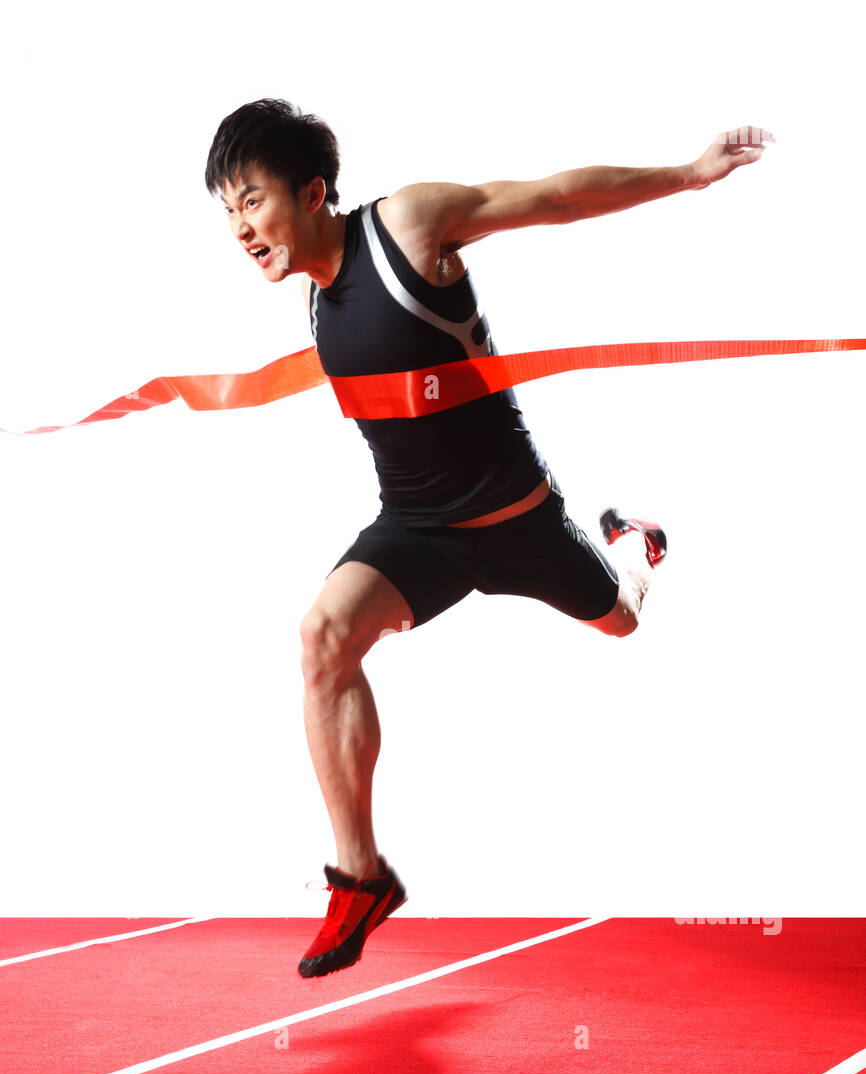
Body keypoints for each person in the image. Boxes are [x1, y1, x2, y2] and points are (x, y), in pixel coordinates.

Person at [204, 100, 770, 979]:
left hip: (519, 522)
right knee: (321, 637)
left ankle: (633, 543)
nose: (239, 228)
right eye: (227, 212)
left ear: (312, 192)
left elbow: (551, 195)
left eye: (250, 201)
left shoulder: (407, 227)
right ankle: (360, 876)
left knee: (620, 619)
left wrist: (688, 175)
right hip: (417, 532)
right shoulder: (313, 304)